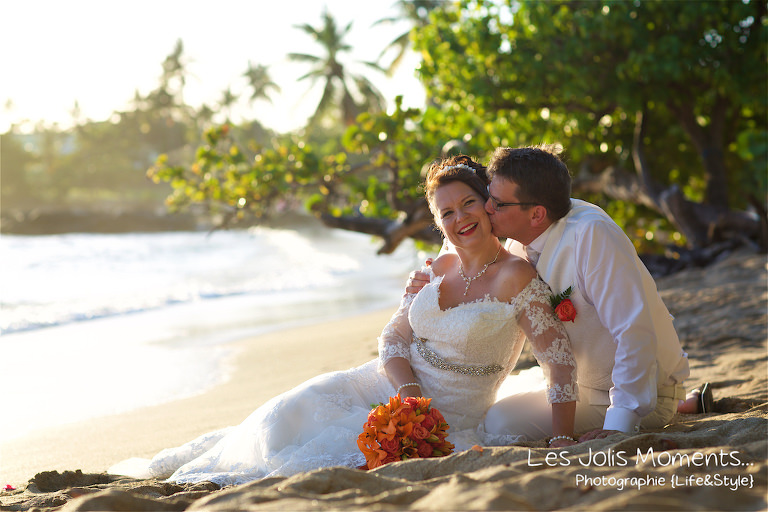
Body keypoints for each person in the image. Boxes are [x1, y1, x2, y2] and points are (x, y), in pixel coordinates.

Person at [109, 155, 579, 486]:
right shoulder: (433, 272)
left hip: (449, 416)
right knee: (288, 414)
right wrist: (408, 391)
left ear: (489, 205)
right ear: (437, 223)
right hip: (386, 387)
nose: (460, 220)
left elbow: (558, 362)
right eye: (446, 213)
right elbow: (393, 339)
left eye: (469, 204)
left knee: (319, 451)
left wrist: (562, 436)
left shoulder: (516, 277)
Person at [407, 145, 690, 441]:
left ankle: (677, 404)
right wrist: (429, 282)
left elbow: (634, 331)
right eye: (490, 195)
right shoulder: (519, 244)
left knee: (500, 425)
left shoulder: (591, 236)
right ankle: (691, 403)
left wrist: (619, 424)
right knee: (498, 414)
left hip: (637, 397)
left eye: (498, 204)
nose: (487, 208)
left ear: (536, 214)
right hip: (584, 386)